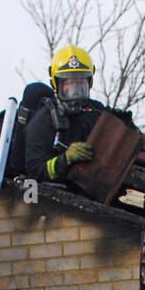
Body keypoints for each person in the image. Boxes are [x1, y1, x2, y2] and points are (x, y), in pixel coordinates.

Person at [24, 44, 106, 185]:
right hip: (52, 198)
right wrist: (64, 159)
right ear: (56, 84)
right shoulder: (44, 120)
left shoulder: (97, 112)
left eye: (80, 83)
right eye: (69, 84)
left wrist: (125, 123)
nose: (75, 91)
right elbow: (33, 172)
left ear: (89, 83)